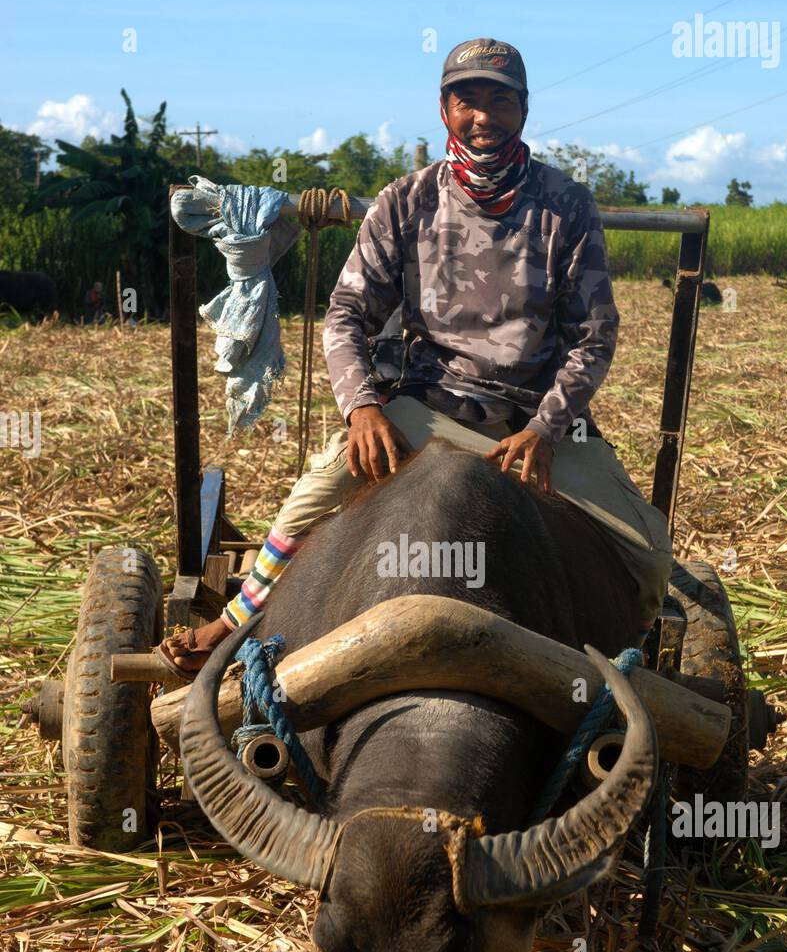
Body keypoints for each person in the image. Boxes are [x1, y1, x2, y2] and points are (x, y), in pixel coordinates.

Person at [160, 37, 672, 675]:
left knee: (650, 553)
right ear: (444, 109)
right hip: (428, 405)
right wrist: (363, 409)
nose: (483, 116)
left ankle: (637, 661)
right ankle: (234, 624)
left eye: (499, 101)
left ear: (524, 110)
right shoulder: (404, 202)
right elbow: (347, 314)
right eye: (468, 100)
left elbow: (594, 333)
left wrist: (545, 427)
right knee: (307, 504)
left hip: (535, 423)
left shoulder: (565, 206)